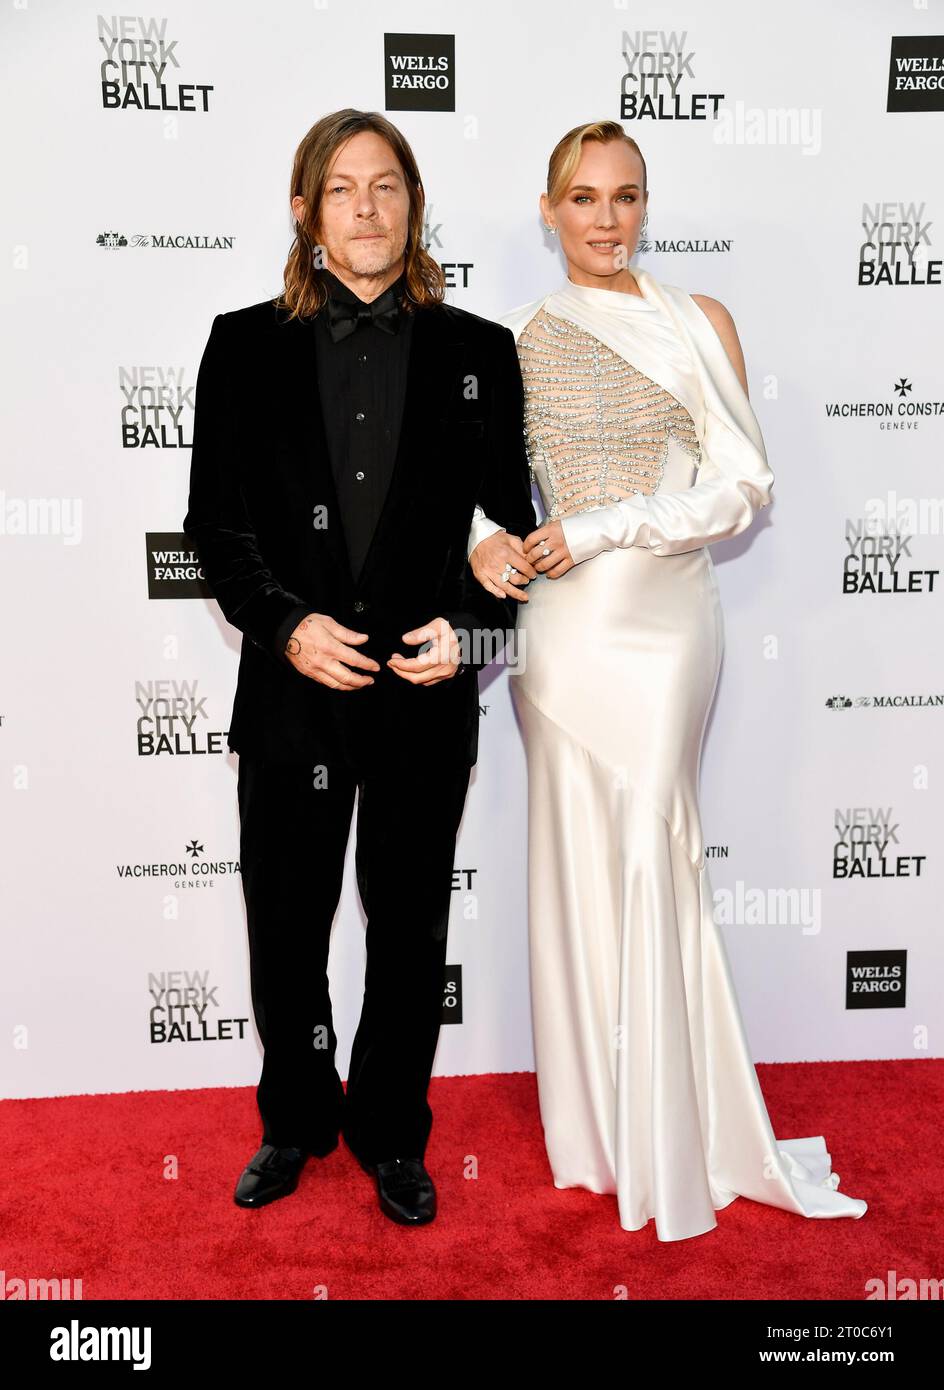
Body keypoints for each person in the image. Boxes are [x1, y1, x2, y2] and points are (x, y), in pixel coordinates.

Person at [466, 120, 868, 1240]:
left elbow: (745, 486)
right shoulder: (513, 341)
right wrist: (482, 545)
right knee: (576, 866)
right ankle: (599, 1131)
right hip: (561, 635)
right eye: (582, 198)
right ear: (546, 211)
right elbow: (485, 499)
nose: (605, 219)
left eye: (625, 196)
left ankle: (676, 1125)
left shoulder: (698, 323)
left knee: (652, 846)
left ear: (647, 205)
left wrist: (602, 524)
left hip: (662, 617)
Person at [183, 109, 535, 1226]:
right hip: (293, 692)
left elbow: (504, 528)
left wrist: (471, 634)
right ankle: (294, 1121)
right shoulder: (241, 344)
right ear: (305, 211)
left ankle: (391, 1132)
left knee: (408, 926)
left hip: (424, 696)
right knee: (284, 922)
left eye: (386, 187)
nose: (367, 207)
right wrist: (286, 626)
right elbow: (215, 526)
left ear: (413, 206)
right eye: (342, 189)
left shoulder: (480, 352)